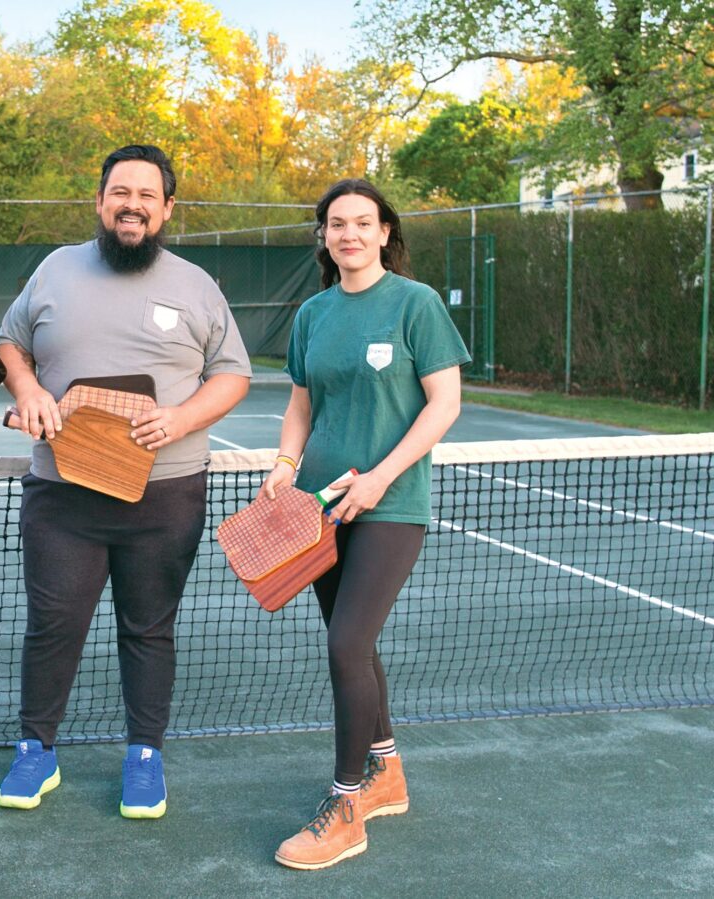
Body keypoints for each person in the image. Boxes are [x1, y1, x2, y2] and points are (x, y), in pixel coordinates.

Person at [0, 144, 252, 819]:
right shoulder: (52, 269)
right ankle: (36, 749)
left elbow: (232, 374)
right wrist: (27, 387)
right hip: (62, 493)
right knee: (53, 624)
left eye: (146, 194)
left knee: (149, 628)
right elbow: (9, 343)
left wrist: (180, 417)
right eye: (119, 192)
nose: (131, 204)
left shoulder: (197, 284)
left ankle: (144, 757)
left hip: (166, 495)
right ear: (100, 201)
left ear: (167, 208)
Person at [263, 179, 470, 870]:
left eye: (362, 222)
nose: (348, 233)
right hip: (320, 506)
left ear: (385, 232)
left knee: (348, 642)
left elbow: (443, 404)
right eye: (335, 224)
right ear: (323, 235)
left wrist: (381, 476)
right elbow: (300, 404)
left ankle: (346, 804)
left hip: (390, 505)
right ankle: (387, 769)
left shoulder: (417, 305)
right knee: (351, 641)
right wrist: (286, 464)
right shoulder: (313, 314)